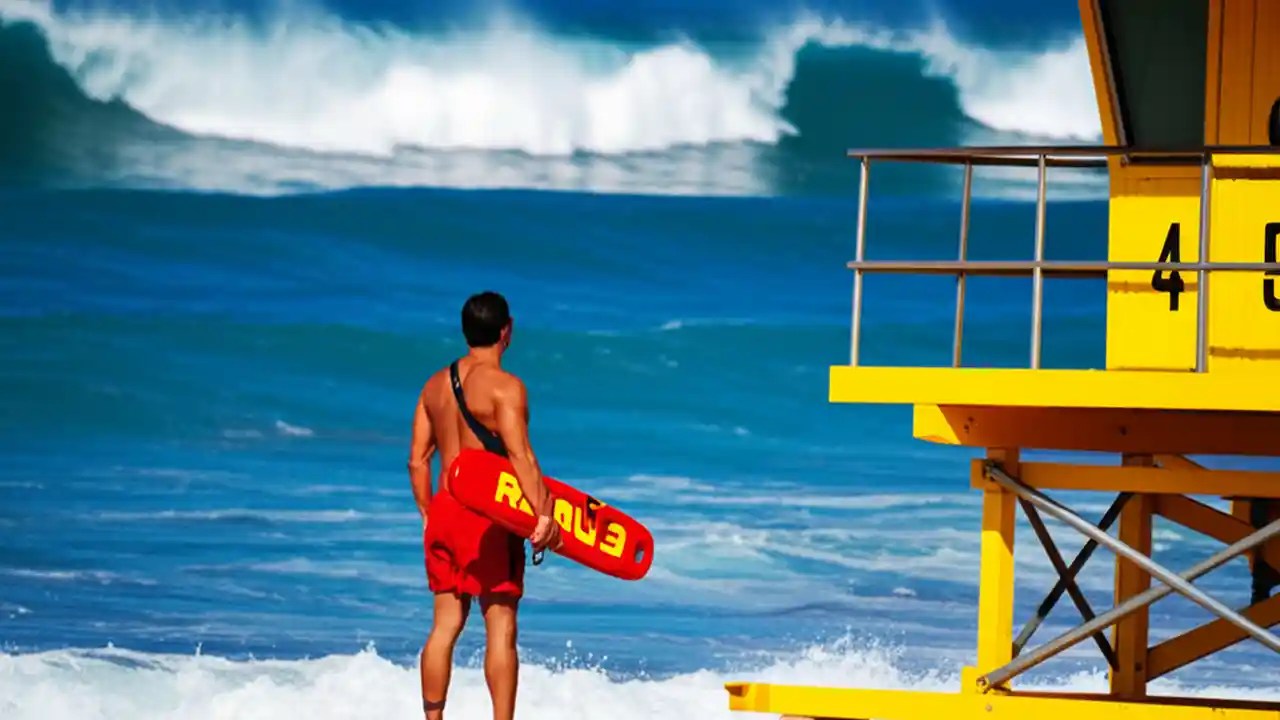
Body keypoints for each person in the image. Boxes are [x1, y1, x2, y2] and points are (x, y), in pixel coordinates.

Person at [407, 290, 563, 720]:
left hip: (443, 511)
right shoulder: (506, 388)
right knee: (501, 627)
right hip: (487, 519)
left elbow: (417, 459)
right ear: (506, 331)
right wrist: (543, 516)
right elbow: (521, 457)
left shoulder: (434, 386)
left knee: (444, 627)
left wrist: (426, 513)